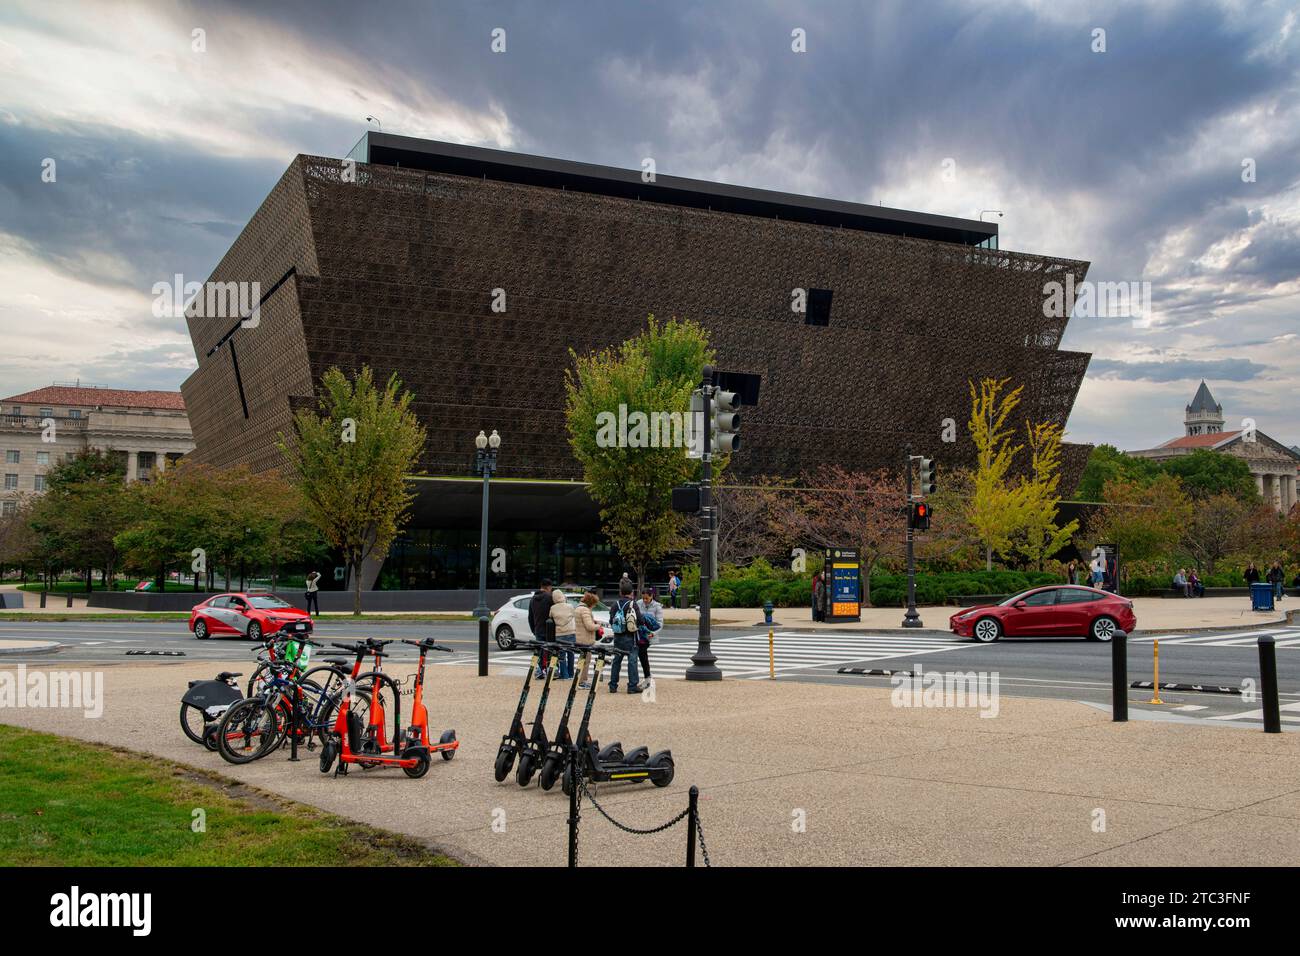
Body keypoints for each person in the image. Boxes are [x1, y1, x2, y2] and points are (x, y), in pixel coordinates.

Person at [608, 579, 643, 694]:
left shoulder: (614, 604)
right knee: (632, 661)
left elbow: (611, 620)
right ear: (631, 592)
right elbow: (640, 620)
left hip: (618, 636)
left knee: (616, 661)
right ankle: (632, 685)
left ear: (621, 592)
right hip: (630, 636)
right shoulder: (633, 604)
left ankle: (613, 685)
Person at [573, 590, 602, 688]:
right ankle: (582, 681)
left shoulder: (578, 608)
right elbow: (589, 626)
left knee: (581, 660)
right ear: (590, 602)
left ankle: (578, 679)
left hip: (579, 637)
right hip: (586, 639)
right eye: (594, 604)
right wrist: (598, 625)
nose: (594, 606)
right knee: (586, 661)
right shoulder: (585, 610)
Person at [528, 579, 553, 678]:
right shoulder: (549, 597)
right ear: (548, 587)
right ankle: (549, 670)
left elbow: (530, 617)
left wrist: (533, 629)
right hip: (549, 629)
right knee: (550, 650)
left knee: (539, 650)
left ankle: (539, 671)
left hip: (538, 629)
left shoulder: (533, 599)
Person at [549, 588, 576, 680]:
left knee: (562, 655)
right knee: (571, 654)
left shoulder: (552, 608)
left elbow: (550, 617)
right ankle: (571, 674)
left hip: (559, 634)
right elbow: (574, 615)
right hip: (571, 632)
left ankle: (564, 675)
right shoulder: (570, 606)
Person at [637, 586, 663, 683]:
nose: (645, 600)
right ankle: (647, 676)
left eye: (647, 598)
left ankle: (647, 676)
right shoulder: (638, 603)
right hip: (639, 634)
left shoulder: (657, 606)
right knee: (641, 654)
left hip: (648, 635)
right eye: (643, 598)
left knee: (642, 653)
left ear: (652, 596)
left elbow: (660, 623)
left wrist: (652, 633)